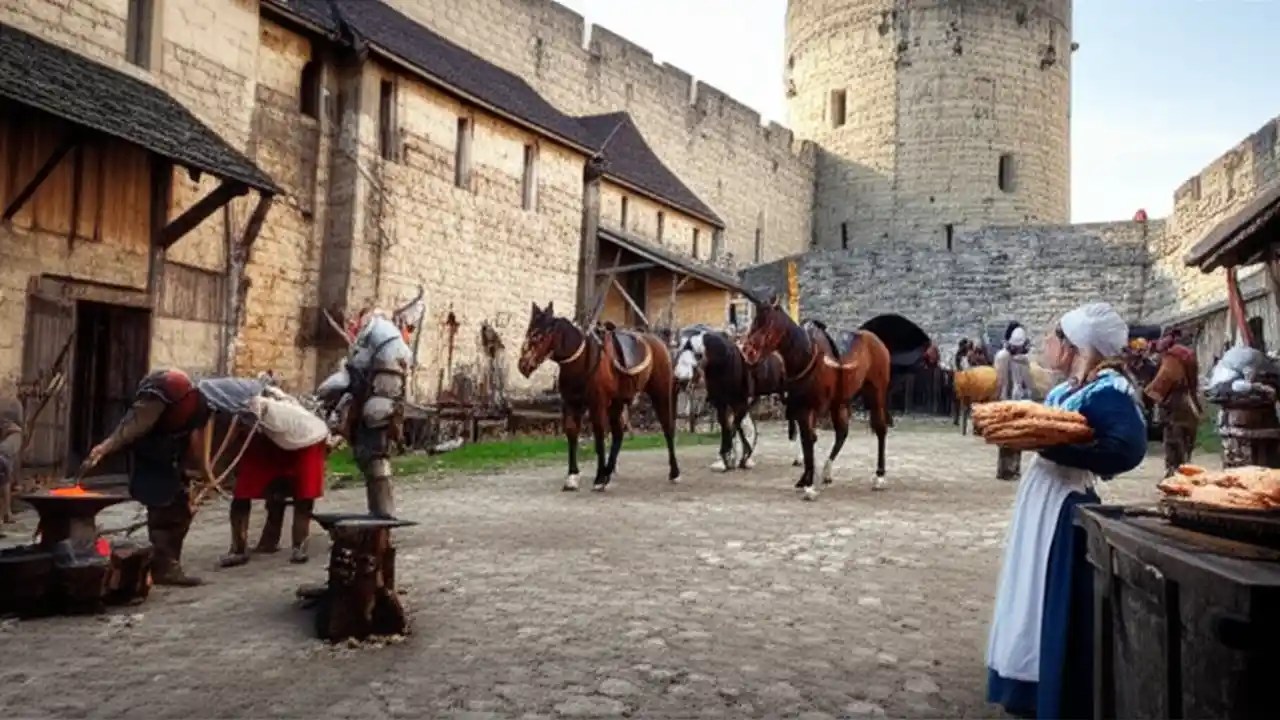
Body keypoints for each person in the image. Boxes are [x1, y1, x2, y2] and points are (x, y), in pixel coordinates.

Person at [986, 302, 1148, 719]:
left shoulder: (1108, 389)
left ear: (1074, 345)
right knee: (1028, 586)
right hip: (1041, 497)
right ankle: (1024, 686)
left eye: (1053, 335)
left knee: (1054, 592)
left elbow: (1127, 449)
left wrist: (1057, 446)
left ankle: (1060, 691)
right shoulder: (1069, 388)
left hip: (1066, 502)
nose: (1046, 342)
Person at [79, 369, 219, 586]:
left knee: (178, 510)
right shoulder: (159, 400)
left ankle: (166, 564)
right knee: (166, 512)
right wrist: (104, 448)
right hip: (156, 459)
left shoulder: (197, 406)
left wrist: (203, 471)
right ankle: (164, 567)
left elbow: (197, 439)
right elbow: (132, 426)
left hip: (170, 457)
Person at [220, 393, 330, 567]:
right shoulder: (228, 405)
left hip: (307, 439)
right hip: (266, 437)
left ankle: (299, 546)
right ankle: (241, 548)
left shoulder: (254, 408)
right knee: (243, 492)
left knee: (303, 494)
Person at [993, 322, 1034, 480]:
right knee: (1006, 437)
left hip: (1019, 398)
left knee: (1017, 436)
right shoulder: (1003, 356)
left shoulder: (1022, 360)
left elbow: (1027, 381)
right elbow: (1000, 380)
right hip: (1006, 399)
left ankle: (1014, 467)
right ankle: (1005, 469)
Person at [1, 393, 23, 526]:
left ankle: (6, 512)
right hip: (9, 439)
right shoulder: (15, 403)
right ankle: (6, 513)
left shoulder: (13, 403)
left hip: (8, 439)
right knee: (4, 474)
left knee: (4, 473)